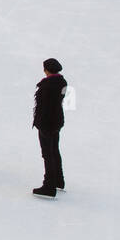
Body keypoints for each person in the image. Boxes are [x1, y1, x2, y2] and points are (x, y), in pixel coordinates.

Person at [31, 58, 67, 199]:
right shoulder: (62, 82)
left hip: (47, 123)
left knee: (48, 154)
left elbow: (43, 106)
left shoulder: (47, 85)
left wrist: (40, 123)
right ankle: (58, 180)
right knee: (54, 150)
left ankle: (49, 186)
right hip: (57, 120)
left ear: (46, 70)